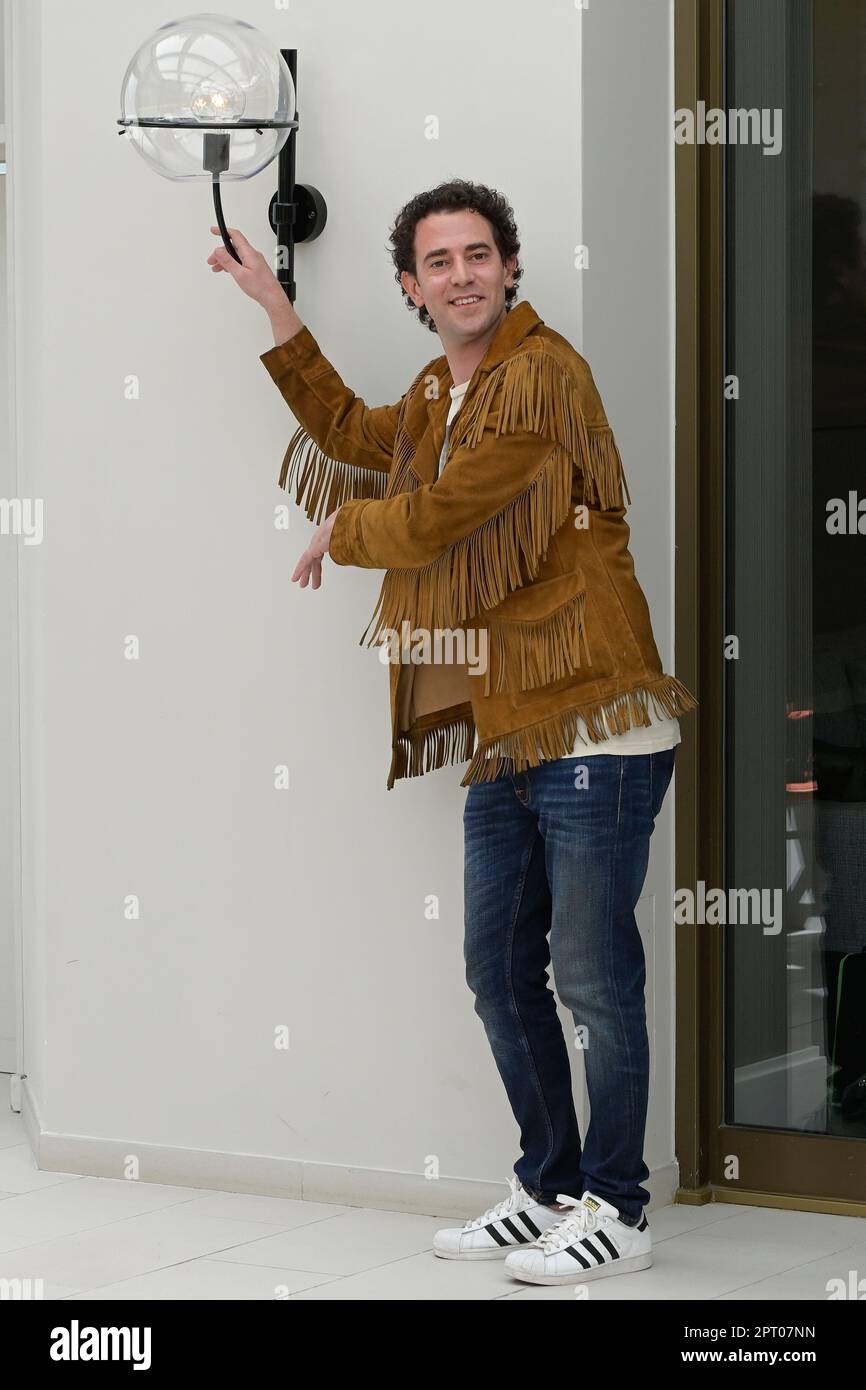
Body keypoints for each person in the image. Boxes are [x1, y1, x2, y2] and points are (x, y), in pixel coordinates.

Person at [207, 179, 697, 1286]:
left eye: (480, 254)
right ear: (411, 286)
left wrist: (345, 525)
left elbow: (442, 511)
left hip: (592, 721)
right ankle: (548, 1185)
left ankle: (616, 1207)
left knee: (592, 977)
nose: (463, 273)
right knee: (496, 968)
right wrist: (276, 316)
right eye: (439, 261)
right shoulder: (438, 389)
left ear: (509, 269)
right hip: (509, 731)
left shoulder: (542, 377)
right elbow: (353, 432)